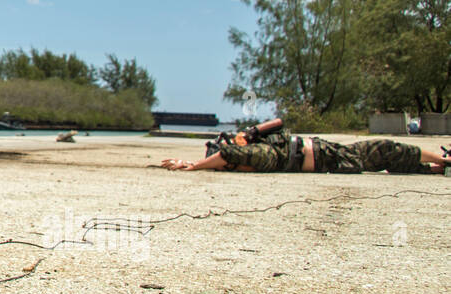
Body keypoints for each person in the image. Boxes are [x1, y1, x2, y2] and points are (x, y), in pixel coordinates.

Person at [161, 123, 447, 173]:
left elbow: (277, 122)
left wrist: (251, 133)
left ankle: (436, 168)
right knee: (385, 149)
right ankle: (444, 162)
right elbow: (228, 154)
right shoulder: (262, 156)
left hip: (327, 153)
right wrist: (194, 166)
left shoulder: (259, 148)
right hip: (329, 157)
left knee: (386, 160)